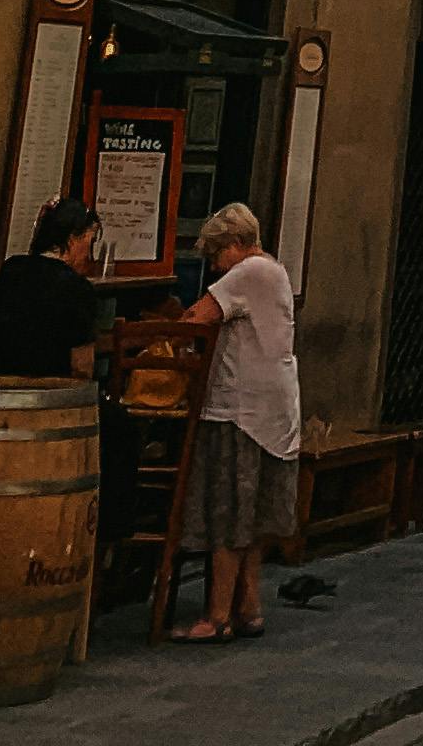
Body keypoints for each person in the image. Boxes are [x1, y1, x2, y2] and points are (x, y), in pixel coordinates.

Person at [170, 203, 298, 641]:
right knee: (252, 518)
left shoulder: (249, 272)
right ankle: (249, 607)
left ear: (238, 243)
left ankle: (217, 617)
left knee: (228, 514)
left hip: (242, 410)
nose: (213, 266)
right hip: (271, 410)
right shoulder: (274, 271)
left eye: (216, 254)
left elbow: (196, 318)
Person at [0, 197, 104, 375]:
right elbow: (81, 367)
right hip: (52, 390)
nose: (89, 254)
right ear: (72, 239)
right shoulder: (78, 289)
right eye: (90, 241)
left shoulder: (11, 270)